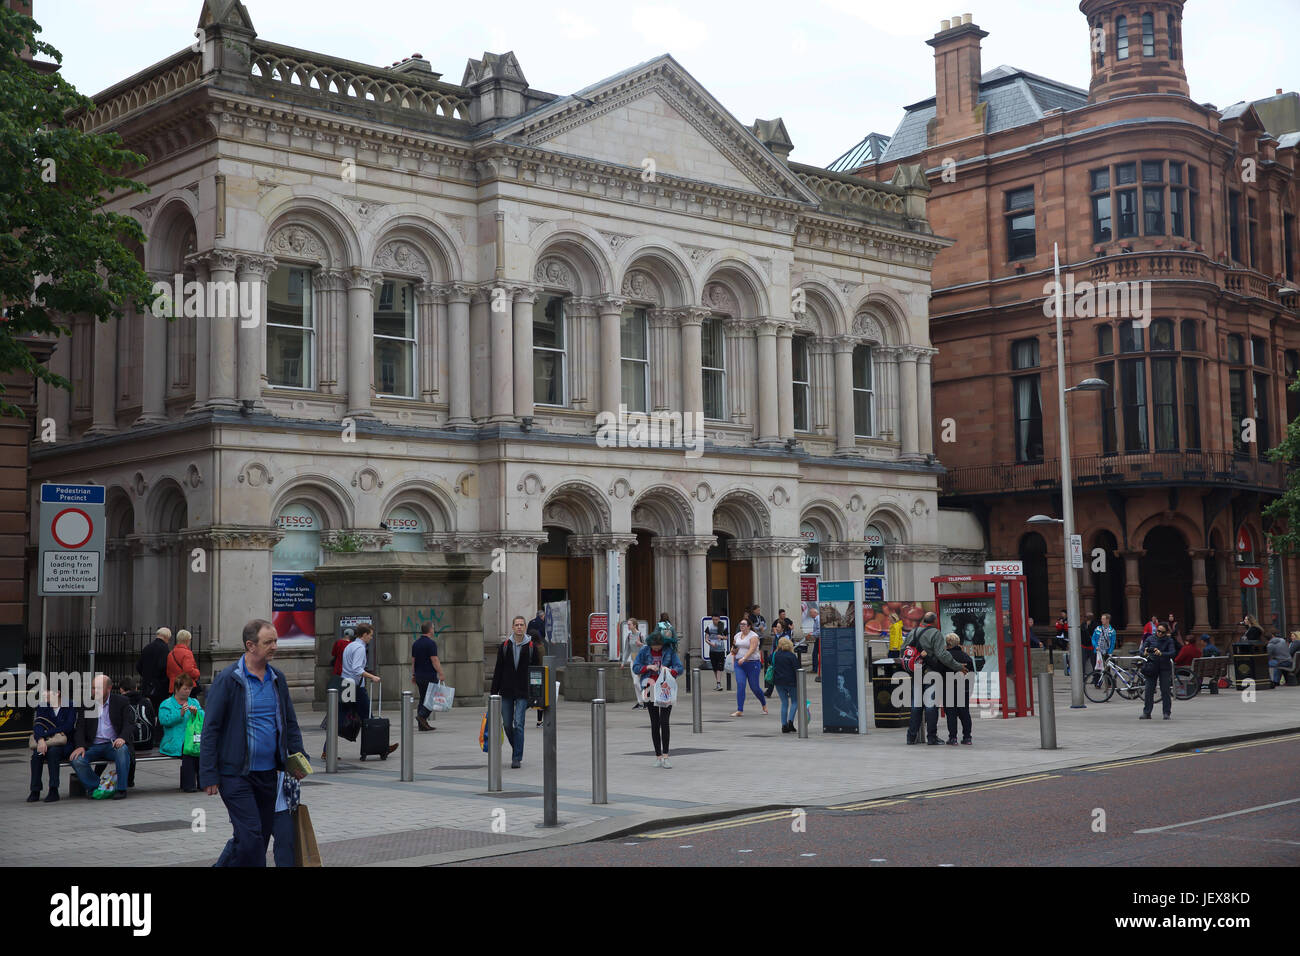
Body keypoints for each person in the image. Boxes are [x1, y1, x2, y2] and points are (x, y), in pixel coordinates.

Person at [201, 618, 308, 867]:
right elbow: (211, 728)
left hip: (269, 774)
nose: (275, 646)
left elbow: (289, 722)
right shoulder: (229, 679)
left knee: (254, 839)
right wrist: (208, 774)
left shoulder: (277, 678)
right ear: (251, 645)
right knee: (251, 838)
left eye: (276, 641)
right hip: (235, 774)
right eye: (268, 642)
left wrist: (298, 757)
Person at [905, 611, 968, 745]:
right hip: (931, 673)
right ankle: (932, 737)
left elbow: (903, 650)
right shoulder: (935, 633)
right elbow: (942, 655)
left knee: (916, 705)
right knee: (931, 705)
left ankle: (911, 737)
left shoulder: (913, 632)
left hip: (916, 672)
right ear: (934, 622)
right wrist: (958, 667)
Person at [68, 675, 133, 800]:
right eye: (93, 688)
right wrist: (80, 746)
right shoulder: (87, 704)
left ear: (109, 688)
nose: (94, 691)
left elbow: (129, 724)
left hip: (113, 744)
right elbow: (80, 728)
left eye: (98, 688)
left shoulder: (121, 702)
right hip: (93, 745)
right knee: (76, 760)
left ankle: (121, 789)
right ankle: (96, 787)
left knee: (123, 751)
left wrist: (122, 738)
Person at [215, 771, 298, 867]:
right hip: (253, 807)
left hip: (281, 803)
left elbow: (300, 757)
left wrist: (301, 765)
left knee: (286, 843)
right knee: (246, 843)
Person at [490, 616, 542, 769]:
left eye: (521, 625)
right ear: (512, 627)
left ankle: (516, 757)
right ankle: (517, 746)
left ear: (525, 627)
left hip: (523, 691)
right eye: (516, 625)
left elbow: (536, 672)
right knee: (507, 724)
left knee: (518, 723)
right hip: (506, 691)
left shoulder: (532, 647)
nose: (519, 627)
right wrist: (494, 692)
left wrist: (535, 693)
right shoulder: (505, 646)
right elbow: (498, 669)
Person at [337, 623, 396, 758]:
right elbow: (357, 669)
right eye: (370, 635)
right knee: (368, 718)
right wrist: (373, 677)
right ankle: (382, 746)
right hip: (356, 688)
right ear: (364, 635)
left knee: (340, 718)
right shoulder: (359, 648)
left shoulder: (349, 646)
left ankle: (326, 750)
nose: (371, 638)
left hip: (346, 685)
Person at [633, 625, 683, 767]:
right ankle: (658, 756)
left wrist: (669, 670)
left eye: (658, 646)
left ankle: (666, 755)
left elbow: (679, 668)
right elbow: (635, 667)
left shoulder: (669, 651)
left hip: (665, 688)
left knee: (664, 721)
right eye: (654, 647)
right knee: (654, 722)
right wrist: (648, 667)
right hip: (649, 687)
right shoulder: (644, 651)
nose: (656, 649)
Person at [28, 689, 76, 803]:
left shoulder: (69, 705)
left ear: (57, 692)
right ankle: (35, 790)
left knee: (53, 752)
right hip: (46, 742)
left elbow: (68, 726)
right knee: (37, 755)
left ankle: (53, 790)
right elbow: (38, 725)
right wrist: (40, 739)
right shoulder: (43, 706)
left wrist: (46, 733)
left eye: (47, 691)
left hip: (64, 743)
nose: (44, 694)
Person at [159, 673, 204, 792]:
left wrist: (196, 714)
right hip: (173, 740)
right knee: (188, 748)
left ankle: (203, 783)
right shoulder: (166, 704)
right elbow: (164, 721)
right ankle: (189, 785)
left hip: (192, 738)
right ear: (177, 688)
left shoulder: (194, 702)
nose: (188, 691)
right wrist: (180, 714)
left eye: (190, 688)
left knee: (201, 747)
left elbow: (203, 718)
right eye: (185, 688)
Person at [730, 617, 767, 717]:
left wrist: (744, 658)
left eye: (743, 624)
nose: (741, 626)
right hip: (739, 664)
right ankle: (739, 710)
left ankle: (764, 704)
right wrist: (733, 652)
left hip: (752, 663)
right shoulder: (737, 635)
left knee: (754, 687)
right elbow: (734, 647)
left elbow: (752, 649)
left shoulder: (753, 636)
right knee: (740, 684)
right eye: (740, 624)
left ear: (749, 626)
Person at [411, 621, 444, 732]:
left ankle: (423, 724)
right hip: (429, 675)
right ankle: (422, 716)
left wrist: (413, 674)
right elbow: (434, 660)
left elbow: (413, 661)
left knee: (423, 698)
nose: (434, 630)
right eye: (433, 628)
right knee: (432, 699)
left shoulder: (415, 643)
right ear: (430, 630)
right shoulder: (431, 644)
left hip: (419, 675)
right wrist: (441, 673)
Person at [1138, 623, 1176, 720]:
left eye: (1162, 632)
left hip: (1164, 667)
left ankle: (1166, 713)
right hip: (1152, 666)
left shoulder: (1169, 640)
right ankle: (1147, 712)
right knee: (1149, 690)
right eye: (1158, 631)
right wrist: (1145, 653)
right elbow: (1142, 651)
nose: (1159, 633)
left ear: (1165, 632)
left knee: (1165, 690)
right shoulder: (1150, 639)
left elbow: (1172, 653)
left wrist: (1161, 653)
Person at [943, 633, 974, 746]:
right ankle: (967, 737)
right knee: (964, 713)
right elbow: (971, 674)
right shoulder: (966, 657)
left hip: (949, 688)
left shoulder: (945, 657)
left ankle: (953, 738)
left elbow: (940, 672)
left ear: (947, 644)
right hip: (963, 689)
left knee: (951, 713)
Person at [137, 626, 172, 717]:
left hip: (146, 686)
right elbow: (164, 668)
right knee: (159, 713)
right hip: (159, 688)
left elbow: (138, 666)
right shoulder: (164, 649)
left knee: (147, 713)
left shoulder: (147, 648)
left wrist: (146, 676)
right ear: (167, 637)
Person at [771, 636, 801, 733]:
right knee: (795, 701)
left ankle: (784, 725)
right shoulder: (791, 656)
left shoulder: (775, 655)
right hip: (791, 682)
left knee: (784, 703)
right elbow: (797, 668)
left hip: (779, 682)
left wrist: (776, 650)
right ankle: (790, 722)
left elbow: (769, 660)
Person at [166, 628, 201, 695]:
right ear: (187, 640)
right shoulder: (187, 653)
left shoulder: (171, 653)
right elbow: (188, 670)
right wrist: (197, 672)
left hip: (174, 686)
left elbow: (169, 672)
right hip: (186, 686)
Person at [623, 617, 646, 707]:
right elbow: (626, 650)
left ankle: (645, 700)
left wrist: (641, 644)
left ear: (634, 625)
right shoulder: (629, 636)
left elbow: (648, 647)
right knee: (635, 682)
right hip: (633, 660)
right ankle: (641, 702)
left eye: (629, 624)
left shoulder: (641, 635)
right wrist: (623, 661)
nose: (628, 626)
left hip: (641, 660)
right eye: (628, 624)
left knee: (640, 681)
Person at [704, 615, 729, 691]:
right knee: (715, 667)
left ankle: (718, 683)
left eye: (717, 619)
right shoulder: (709, 627)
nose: (715, 621)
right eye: (714, 619)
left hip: (721, 650)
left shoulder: (722, 627)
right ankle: (718, 682)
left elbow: (726, 637)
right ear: (712, 619)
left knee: (720, 667)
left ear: (719, 619)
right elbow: (706, 638)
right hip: (712, 650)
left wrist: (721, 637)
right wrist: (711, 644)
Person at [1090, 613, 1117, 678]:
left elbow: (1113, 643)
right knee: (1096, 667)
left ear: (1107, 620)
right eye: (1101, 619)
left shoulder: (1112, 631)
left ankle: (1109, 682)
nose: (1101, 620)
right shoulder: (1097, 628)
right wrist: (1095, 646)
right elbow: (1093, 638)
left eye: (1103, 619)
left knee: (1107, 668)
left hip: (1106, 652)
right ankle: (1096, 682)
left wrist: (1110, 652)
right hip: (1097, 651)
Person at [765, 619, 787, 697]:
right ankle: (769, 691)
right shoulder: (776, 637)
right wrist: (771, 656)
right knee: (774, 674)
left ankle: (785, 691)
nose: (776, 628)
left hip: (782, 659)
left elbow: (785, 648)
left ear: (782, 629)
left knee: (780, 675)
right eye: (776, 627)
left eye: (778, 627)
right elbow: (773, 648)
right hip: (775, 658)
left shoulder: (785, 637)